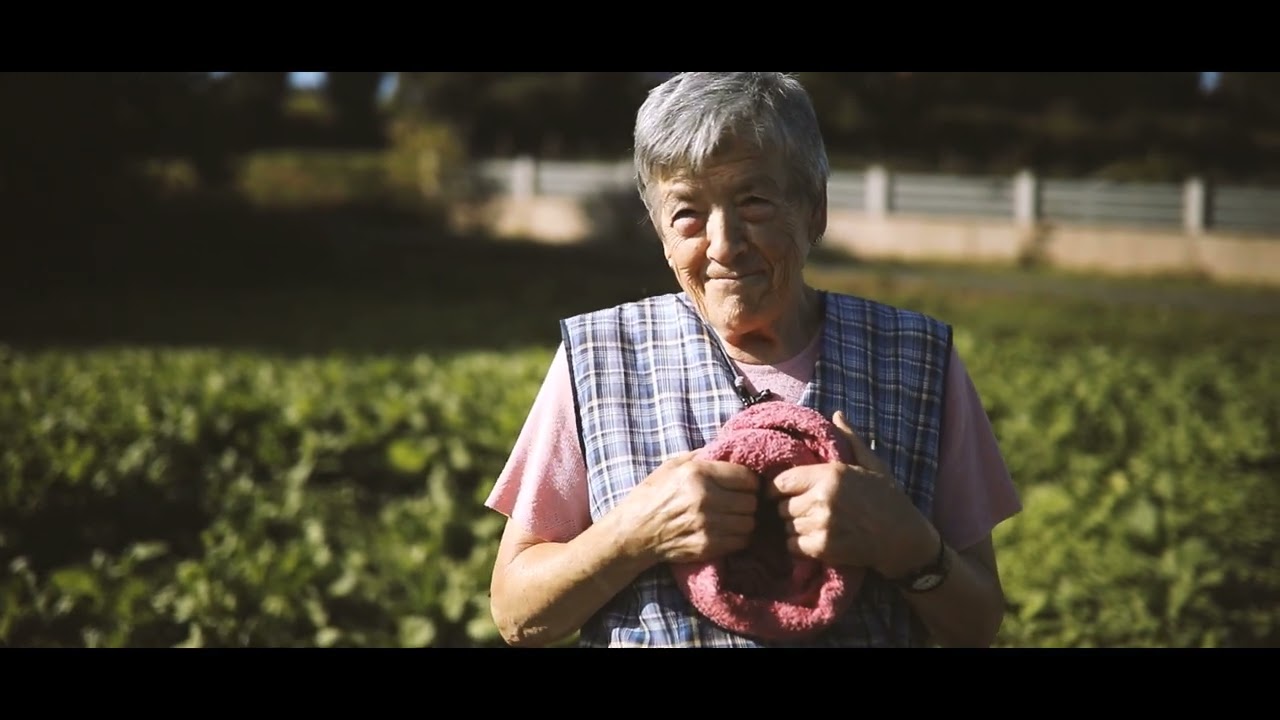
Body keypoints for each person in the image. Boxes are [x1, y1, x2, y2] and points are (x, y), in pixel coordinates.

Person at [484, 72, 1022, 648]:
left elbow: (977, 623)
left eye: (755, 202)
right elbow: (518, 616)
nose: (724, 243)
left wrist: (906, 542)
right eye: (687, 213)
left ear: (814, 210)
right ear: (661, 233)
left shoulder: (919, 359)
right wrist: (632, 534)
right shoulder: (598, 358)